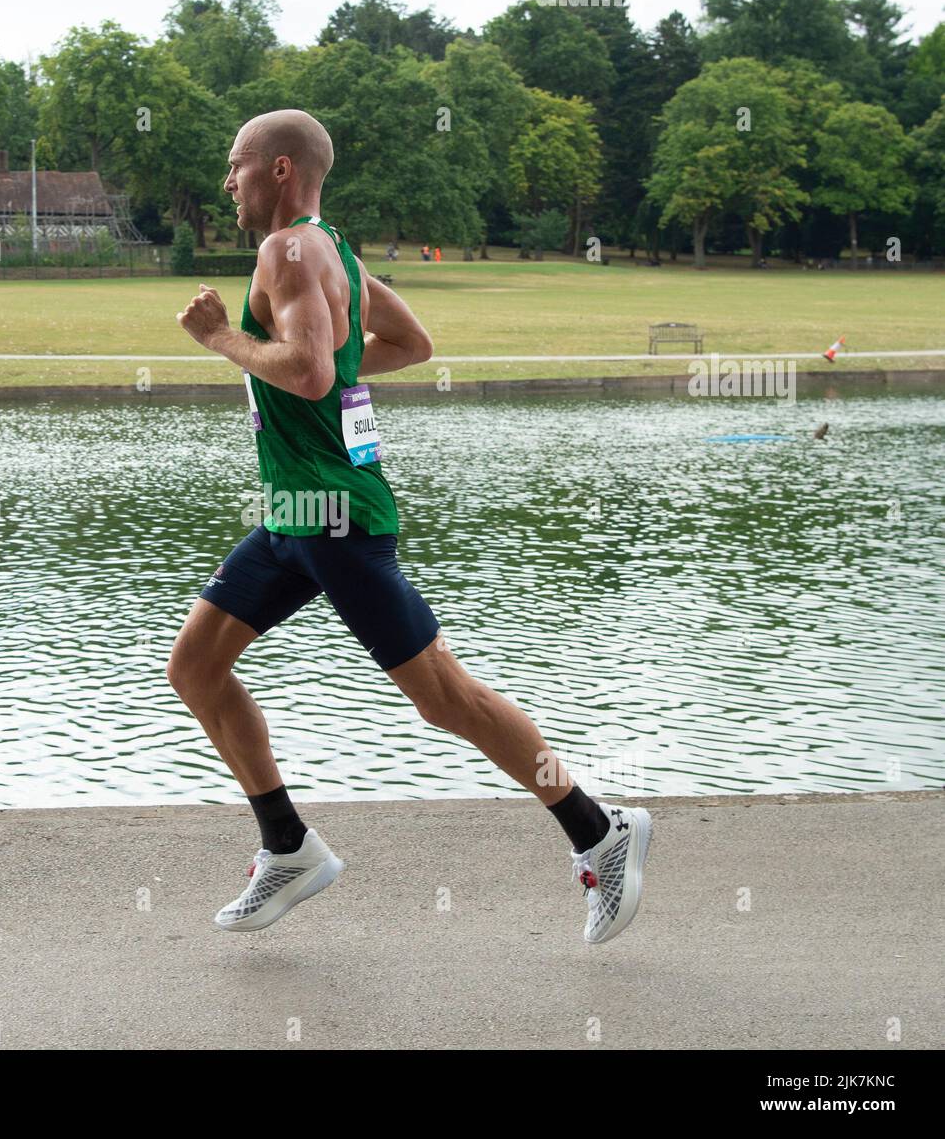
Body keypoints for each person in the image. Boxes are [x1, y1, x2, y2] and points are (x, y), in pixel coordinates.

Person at [172, 108, 652, 942]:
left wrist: (220, 338)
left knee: (444, 696)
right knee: (196, 669)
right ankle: (288, 845)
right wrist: (330, 363)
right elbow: (412, 342)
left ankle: (601, 832)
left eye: (238, 163)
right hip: (295, 515)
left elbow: (314, 373)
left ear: (282, 170)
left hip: (336, 520)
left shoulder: (285, 250)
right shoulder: (338, 254)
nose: (228, 180)